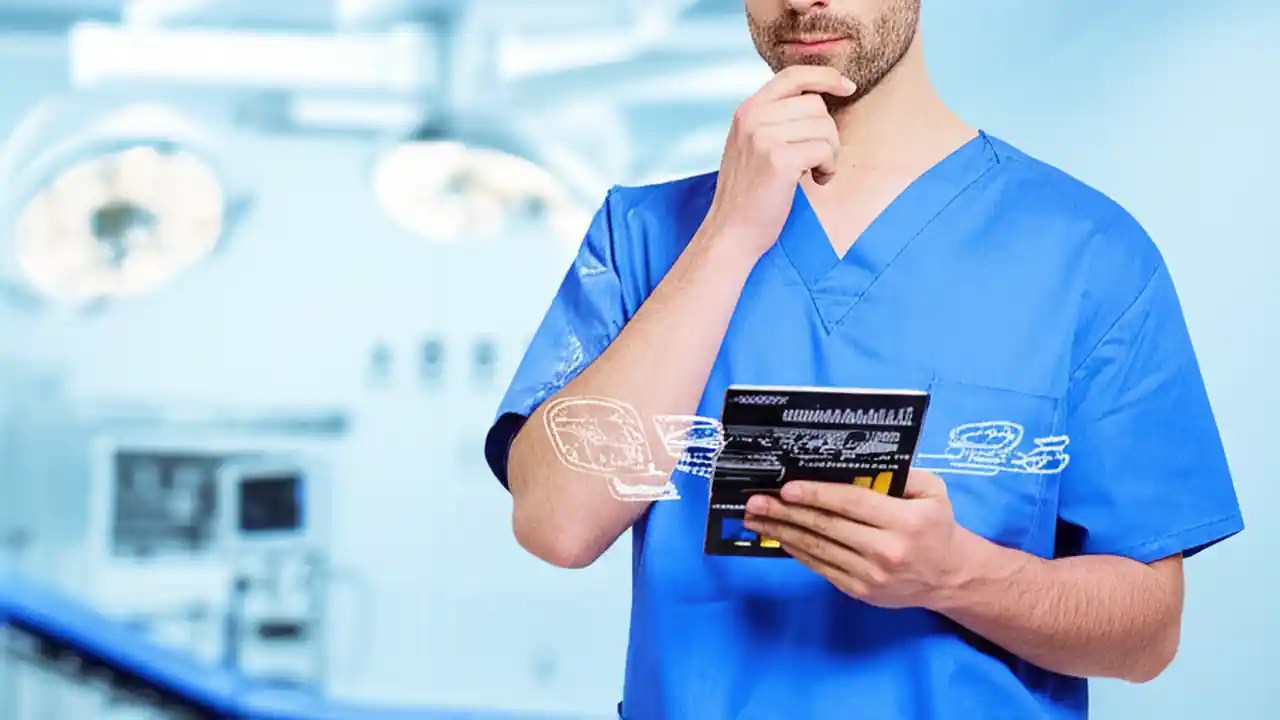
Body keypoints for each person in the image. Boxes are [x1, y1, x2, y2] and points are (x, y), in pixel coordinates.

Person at [484, 1, 1244, 718]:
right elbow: (557, 523)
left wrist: (955, 577)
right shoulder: (646, 237)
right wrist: (729, 237)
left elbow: (1147, 636)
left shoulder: (1087, 254)